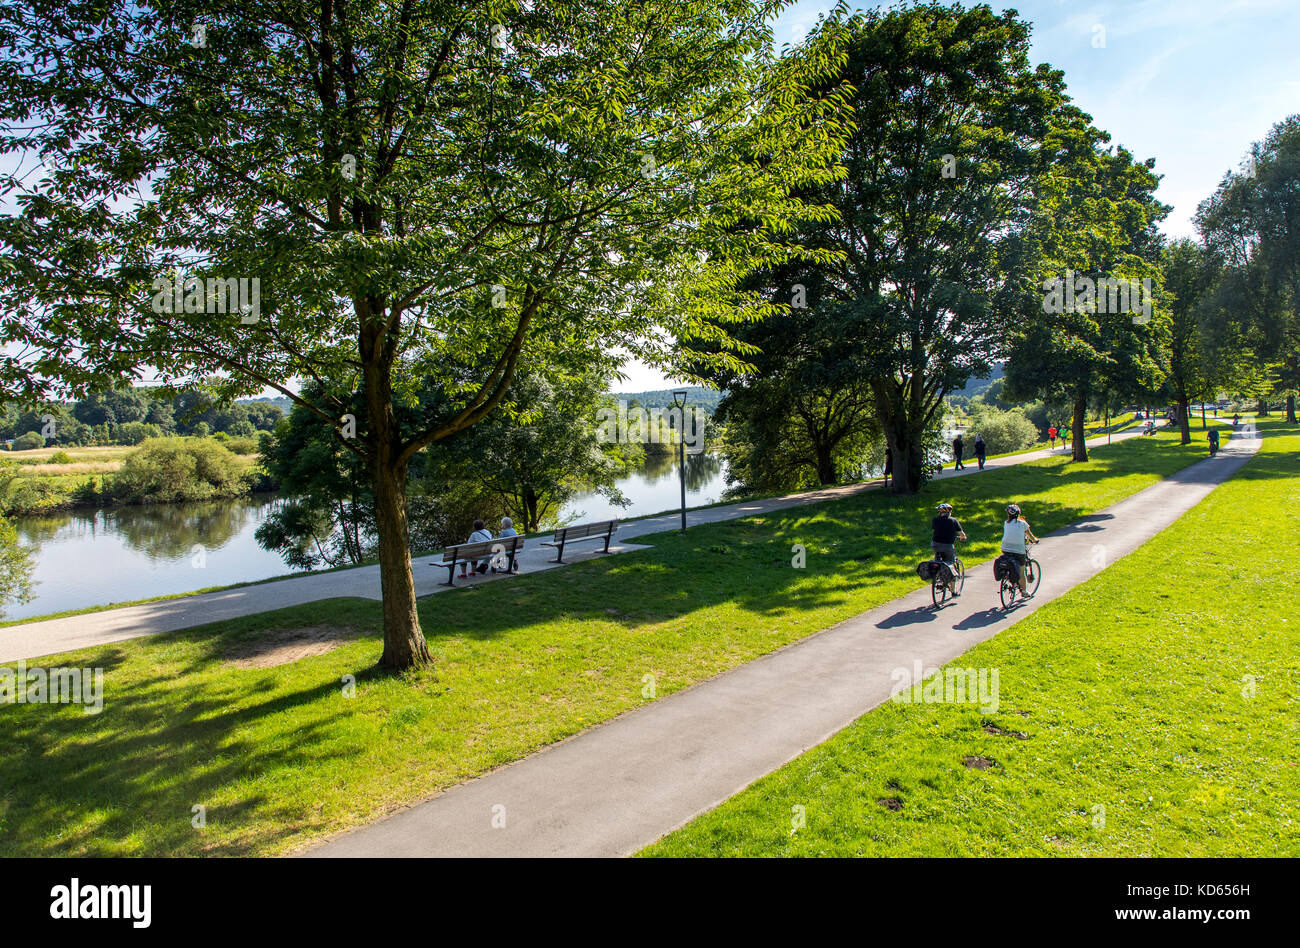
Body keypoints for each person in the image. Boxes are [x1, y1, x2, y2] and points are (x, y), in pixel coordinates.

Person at [1000, 503, 1039, 596]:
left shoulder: (1006, 523)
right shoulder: (1023, 523)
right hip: (1018, 550)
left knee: (1010, 563)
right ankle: (1024, 591)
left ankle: (1008, 577)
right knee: (1021, 570)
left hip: (1005, 548)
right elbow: (1030, 535)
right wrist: (1035, 540)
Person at [931, 502, 967, 596]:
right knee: (951, 565)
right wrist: (962, 538)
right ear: (949, 512)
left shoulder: (935, 520)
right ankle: (953, 591)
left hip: (935, 545)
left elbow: (935, 531)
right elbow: (962, 535)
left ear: (940, 512)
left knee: (938, 561)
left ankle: (938, 575)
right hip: (948, 546)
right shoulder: (953, 521)